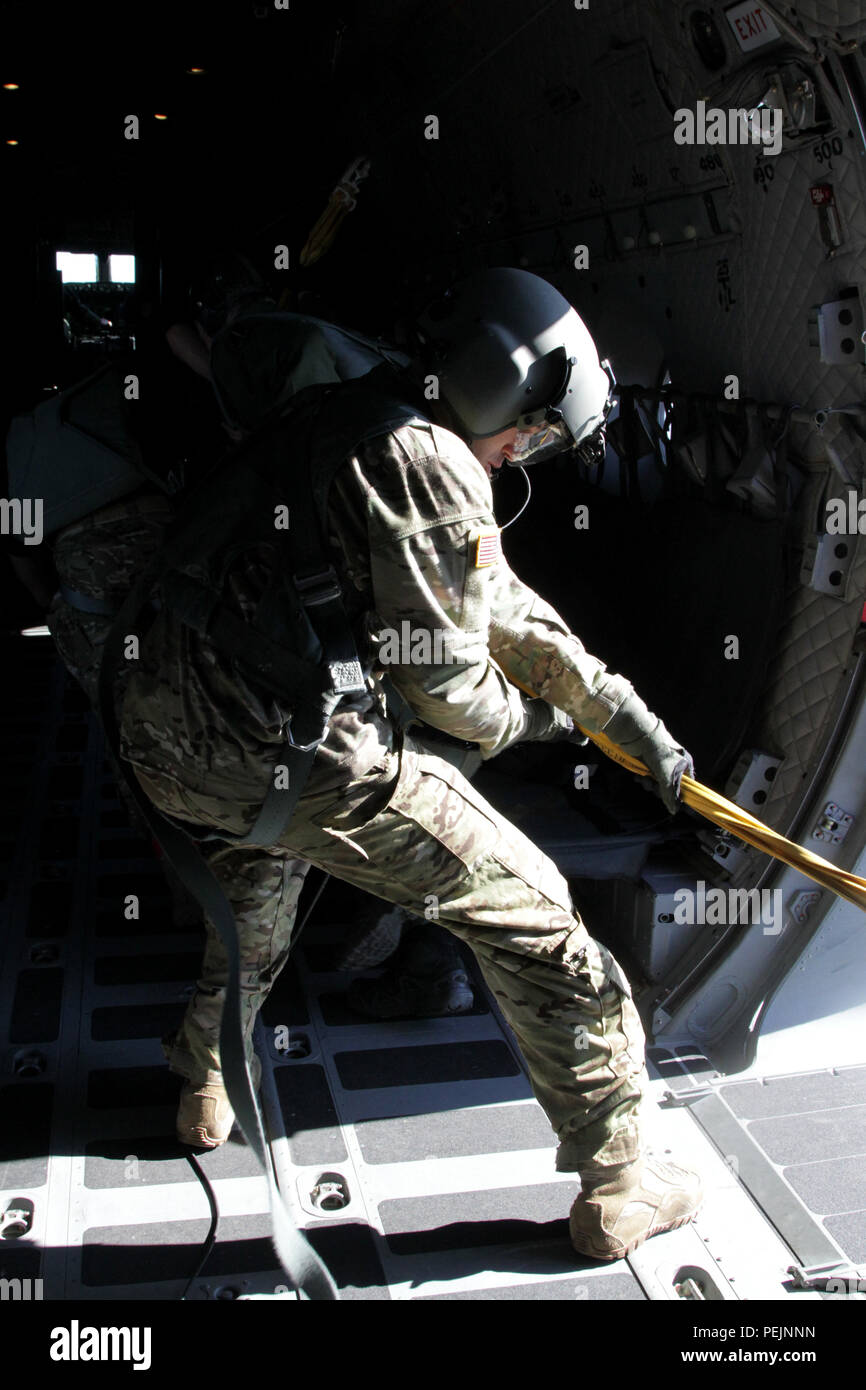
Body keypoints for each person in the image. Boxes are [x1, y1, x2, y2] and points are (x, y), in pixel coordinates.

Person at [118, 267, 703, 1262]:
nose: (526, 450)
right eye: (535, 430)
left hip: (162, 736)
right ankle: (620, 1182)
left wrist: (619, 714)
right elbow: (452, 693)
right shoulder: (422, 458)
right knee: (542, 920)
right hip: (290, 754)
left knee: (259, 883)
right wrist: (540, 726)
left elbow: (498, 602)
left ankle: (202, 1078)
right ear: (510, 392)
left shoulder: (349, 412)